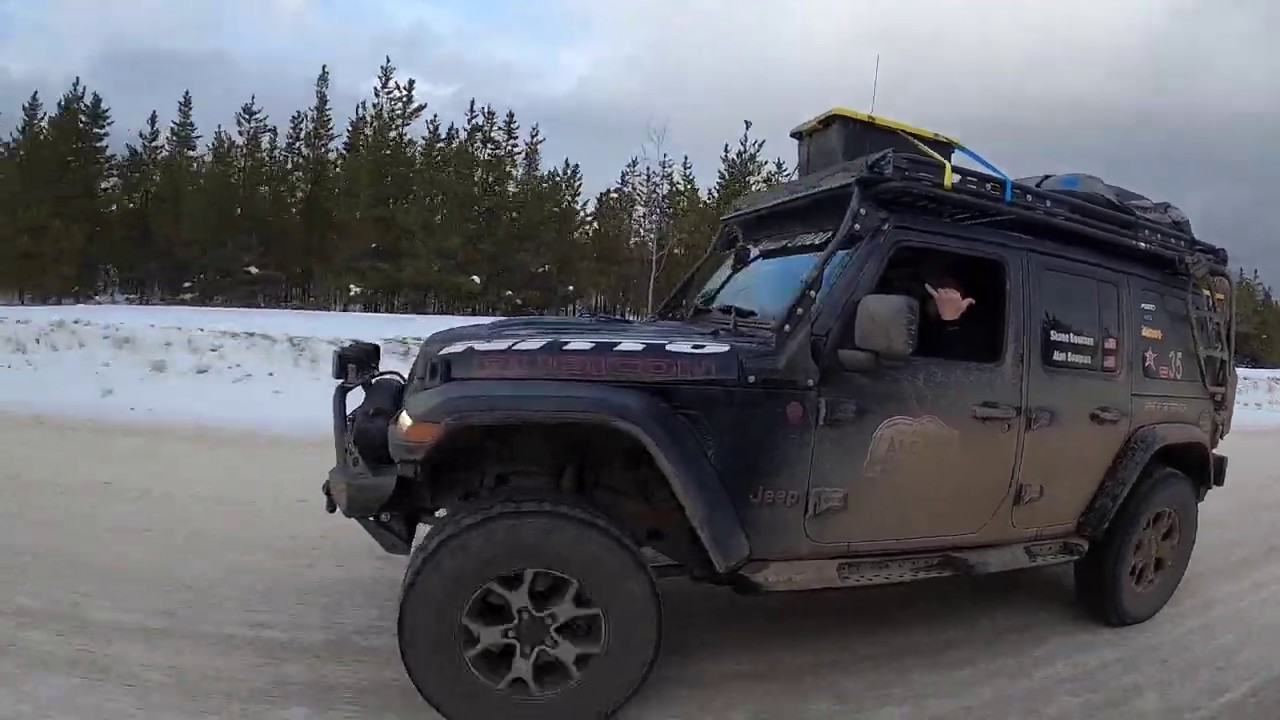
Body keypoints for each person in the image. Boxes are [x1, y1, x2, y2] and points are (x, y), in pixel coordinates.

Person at [916, 270, 982, 362]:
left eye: (944, 286)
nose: (938, 291)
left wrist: (949, 320)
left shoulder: (971, 335)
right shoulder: (920, 319)